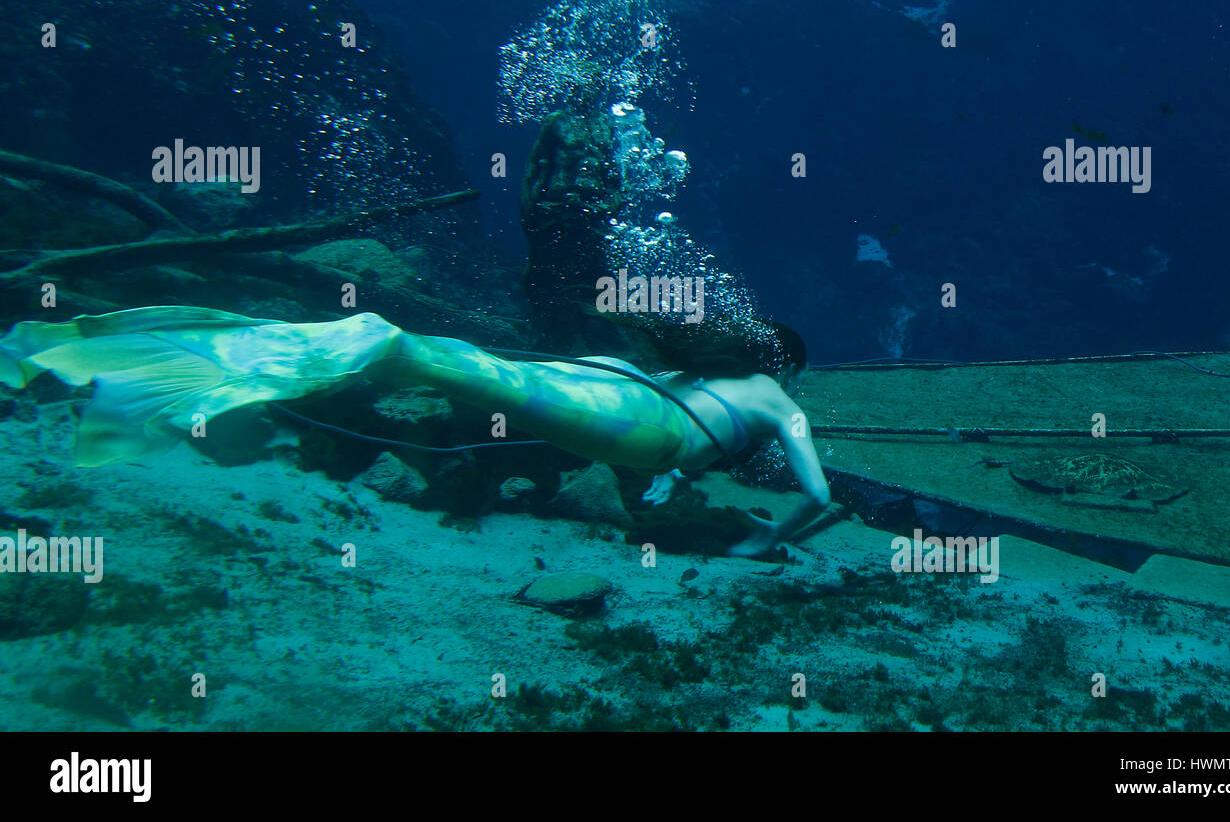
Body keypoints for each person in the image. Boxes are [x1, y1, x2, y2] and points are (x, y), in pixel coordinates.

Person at [0, 306, 830, 557]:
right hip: (636, 424)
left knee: (445, 357)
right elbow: (820, 495)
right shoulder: (775, 397)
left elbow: (658, 404)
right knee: (411, 357)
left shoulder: (717, 368)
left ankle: (103, 361)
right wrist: (760, 543)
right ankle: (150, 376)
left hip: (613, 390)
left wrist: (668, 480)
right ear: (784, 366)